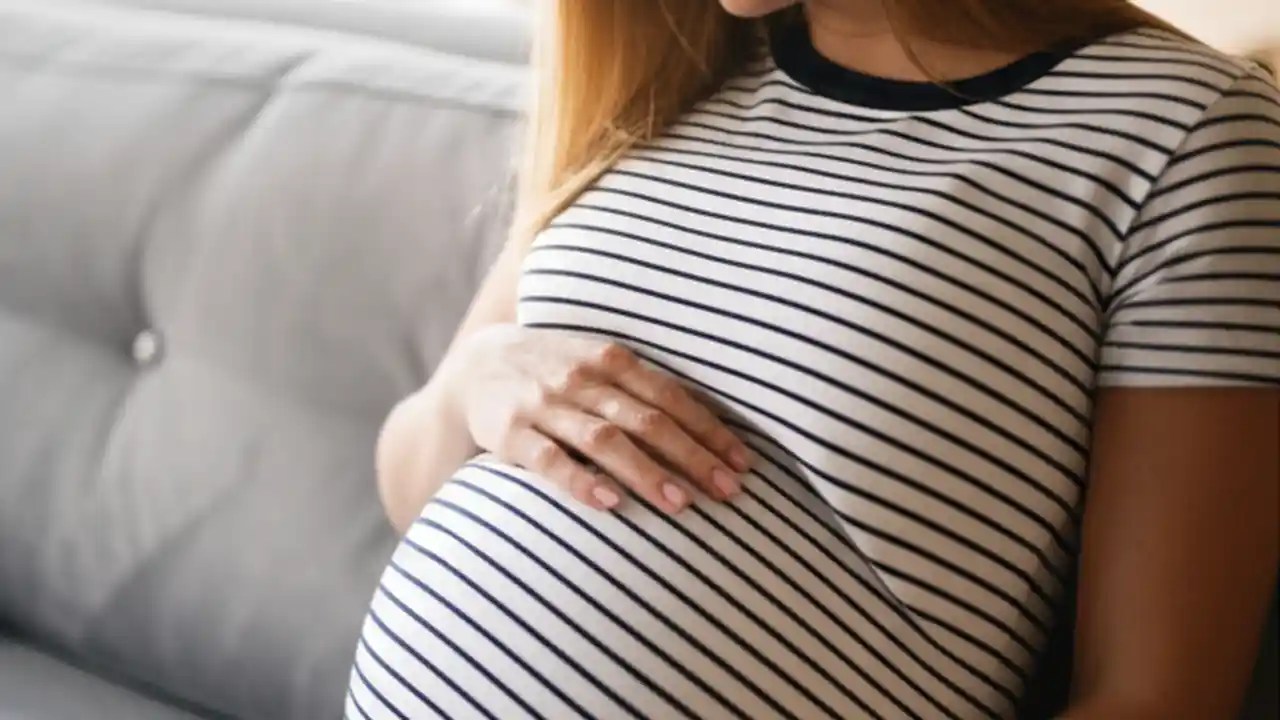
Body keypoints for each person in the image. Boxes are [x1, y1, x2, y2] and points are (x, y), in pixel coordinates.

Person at [349, 1, 1280, 717]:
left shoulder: (1189, 132)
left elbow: (1156, 698)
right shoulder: (667, 80)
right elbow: (404, 481)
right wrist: (479, 380)